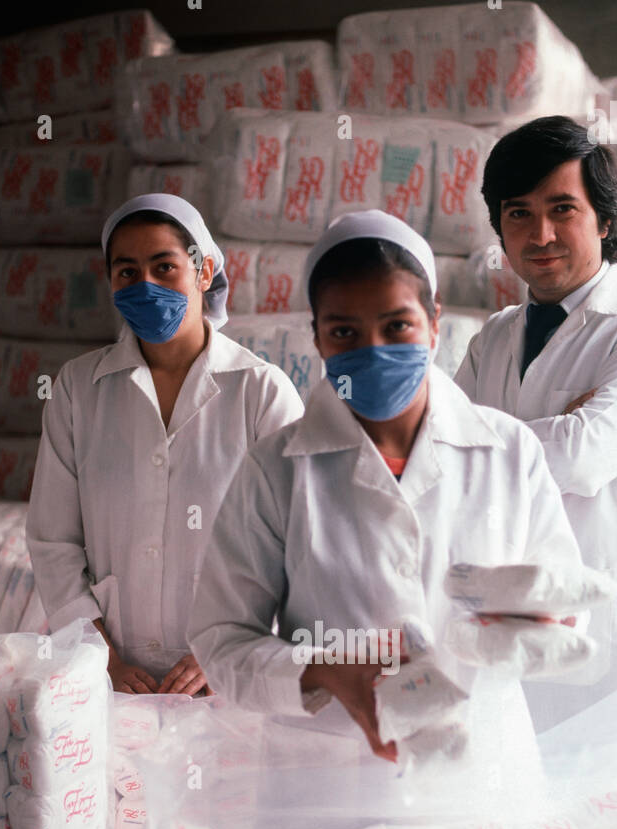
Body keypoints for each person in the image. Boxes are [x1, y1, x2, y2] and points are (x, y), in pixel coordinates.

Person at [189, 209, 585, 779]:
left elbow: (564, 604)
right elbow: (221, 640)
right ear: (318, 338)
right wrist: (323, 670)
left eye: (397, 326)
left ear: (435, 321)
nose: (372, 351)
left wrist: (541, 623)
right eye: (345, 333)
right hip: (325, 782)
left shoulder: (509, 452)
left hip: (480, 772)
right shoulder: (276, 469)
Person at [455, 116, 617, 732]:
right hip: (507, 632)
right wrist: (551, 429)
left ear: (605, 220)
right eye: (518, 213)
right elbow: (436, 459)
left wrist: (487, 444)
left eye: (563, 208)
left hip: (612, 641)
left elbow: (585, 455)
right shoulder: (493, 338)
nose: (540, 234)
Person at [26, 193, 304, 695]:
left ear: (204, 270)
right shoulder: (77, 389)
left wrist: (230, 647)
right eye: (127, 272)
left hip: (228, 681)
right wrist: (100, 656)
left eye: (164, 267)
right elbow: (53, 540)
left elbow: (294, 541)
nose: (146, 286)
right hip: (111, 674)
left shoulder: (260, 391)